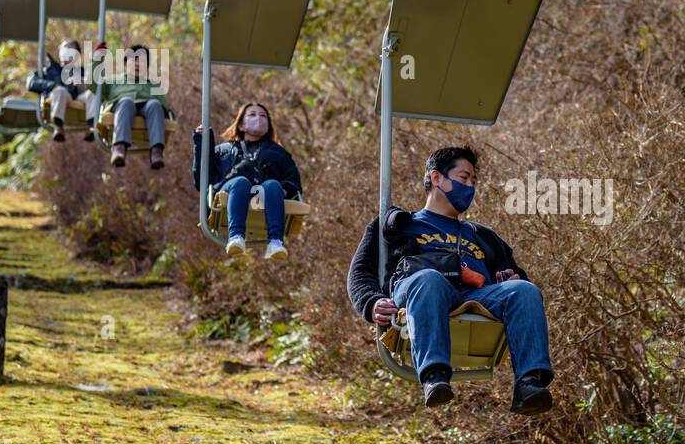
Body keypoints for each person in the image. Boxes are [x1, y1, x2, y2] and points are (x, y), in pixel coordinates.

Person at [347, 146, 555, 414]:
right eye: (463, 178)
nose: (470, 187)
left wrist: (512, 277)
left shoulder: (482, 236)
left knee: (524, 290)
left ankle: (529, 383)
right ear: (437, 178)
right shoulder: (399, 224)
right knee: (429, 279)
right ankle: (434, 374)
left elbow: (515, 276)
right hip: (419, 291)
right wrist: (371, 303)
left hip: (474, 297)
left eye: (473, 182)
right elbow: (361, 271)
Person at [192, 102, 302, 261]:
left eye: (263, 116)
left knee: (272, 184)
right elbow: (201, 179)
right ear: (241, 125)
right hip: (232, 188)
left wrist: (284, 190)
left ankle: (275, 241)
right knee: (241, 182)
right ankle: (236, 236)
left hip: (267, 195)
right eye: (252, 115)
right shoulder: (224, 150)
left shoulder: (279, 154)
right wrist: (202, 142)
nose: (259, 118)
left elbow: (293, 181)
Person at [104, 43, 171, 169]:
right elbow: (92, 85)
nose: (137, 64)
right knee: (126, 102)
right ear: (125, 64)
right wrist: (96, 59)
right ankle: (119, 148)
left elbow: (165, 106)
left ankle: (156, 152)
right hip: (123, 108)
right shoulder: (114, 81)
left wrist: (169, 116)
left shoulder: (152, 85)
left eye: (142, 61)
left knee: (155, 104)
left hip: (147, 108)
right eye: (134, 60)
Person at [45, 39, 99, 142]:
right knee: (60, 90)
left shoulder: (83, 71)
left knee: (93, 92)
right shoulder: (53, 68)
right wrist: (54, 85)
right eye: (64, 49)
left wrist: (79, 83)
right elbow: (34, 83)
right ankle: (58, 127)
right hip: (63, 95)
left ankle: (92, 127)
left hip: (78, 97)